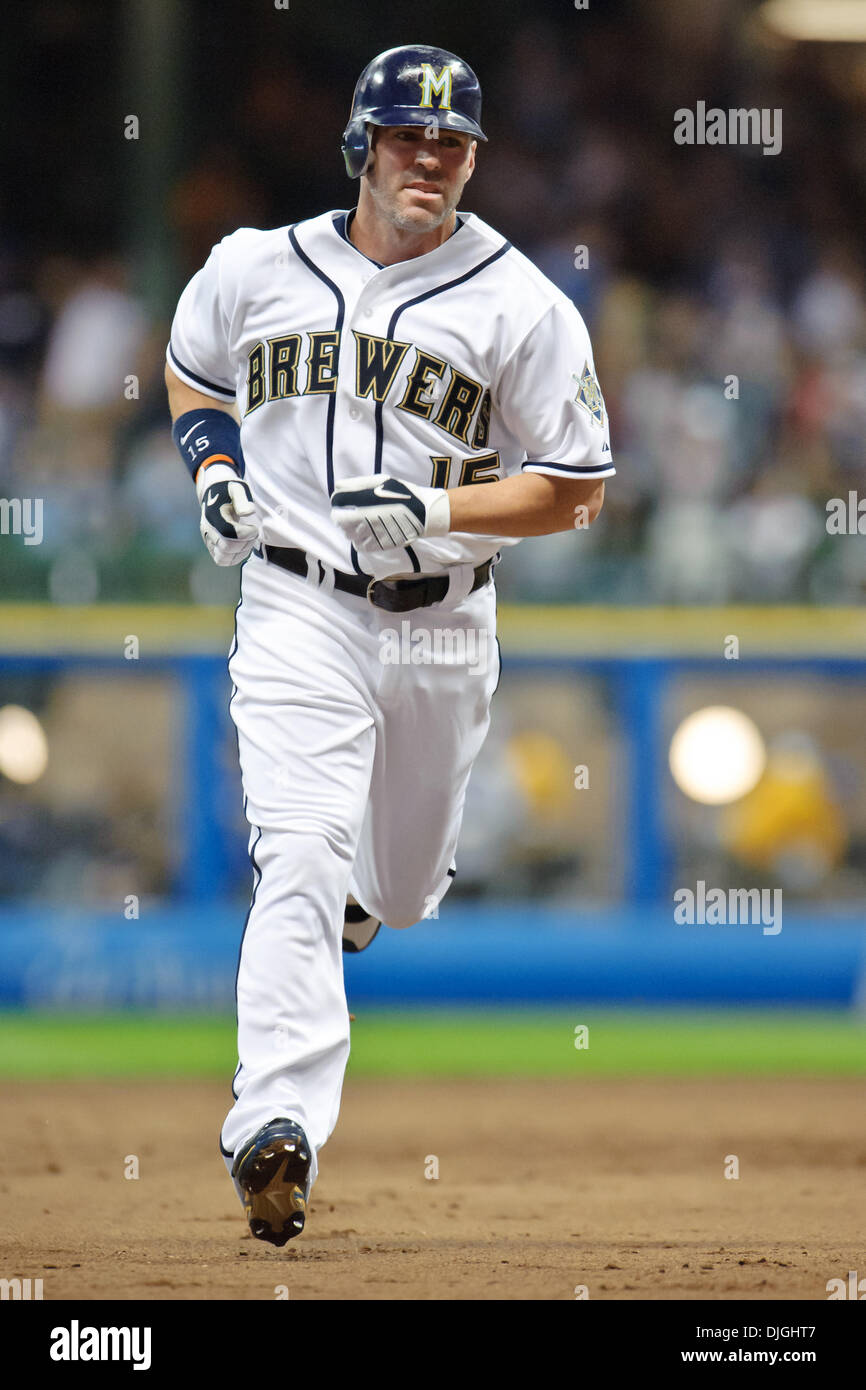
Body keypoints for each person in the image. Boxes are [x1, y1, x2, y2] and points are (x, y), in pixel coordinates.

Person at [165, 44, 614, 1246]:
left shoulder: (520, 301)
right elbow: (191, 375)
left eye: (453, 142)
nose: (432, 157)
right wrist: (212, 472)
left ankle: (368, 899)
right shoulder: (256, 266)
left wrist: (437, 510)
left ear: (474, 159)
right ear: (361, 143)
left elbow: (575, 489)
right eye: (410, 137)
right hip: (294, 604)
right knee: (301, 850)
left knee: (402, 889)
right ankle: (276, 1127)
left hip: (440, 624)